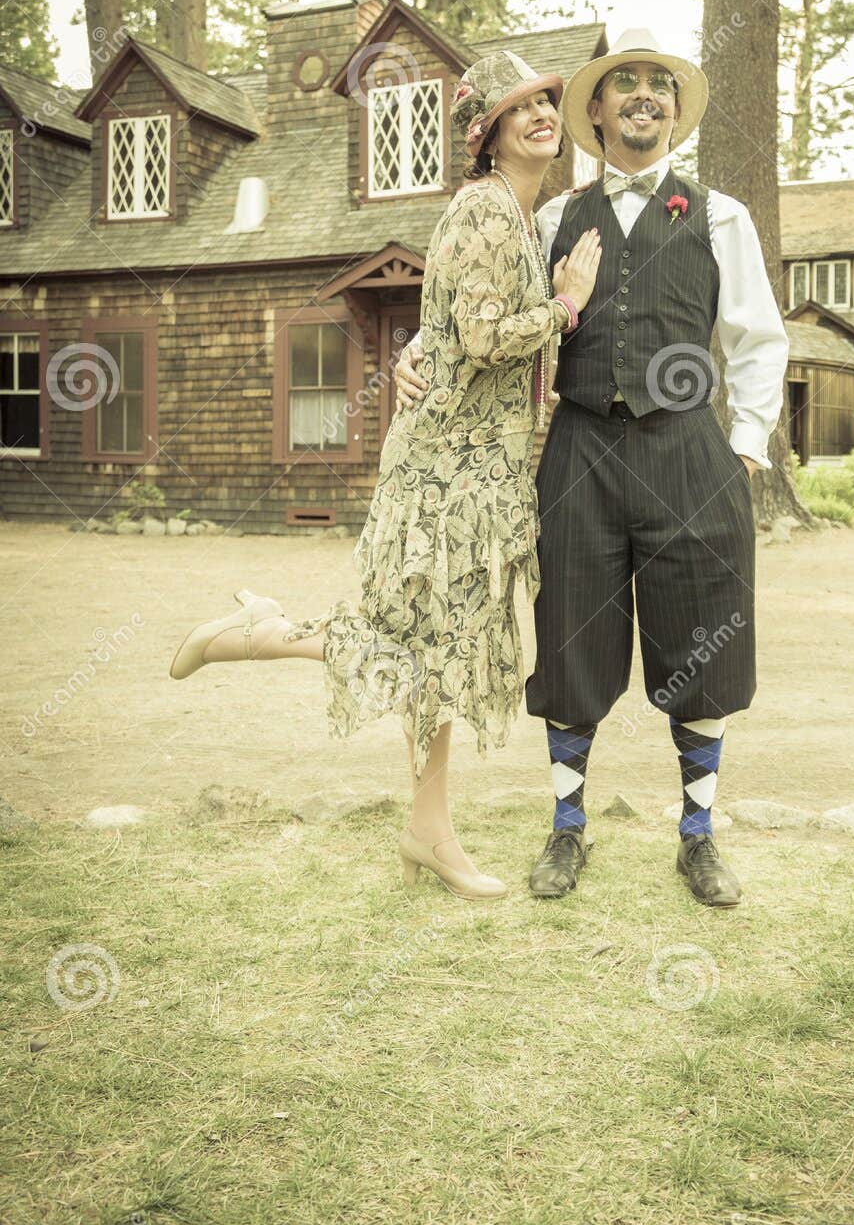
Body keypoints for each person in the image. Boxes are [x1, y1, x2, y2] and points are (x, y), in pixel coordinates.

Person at [168, 49, 601, 901]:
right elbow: (483, 337)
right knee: (421, 649)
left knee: (433, 657)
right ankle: (259, 635)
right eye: (520, 109)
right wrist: (565, 306)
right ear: (487, 136)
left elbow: (454, 334)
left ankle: (426, 831)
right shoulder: (484, 207)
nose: (541, 115)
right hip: (446, 475)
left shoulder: (520, 216)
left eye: (547, 102)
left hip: (480, 472)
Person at [396, 30, 789, 908]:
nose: (643, 94)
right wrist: (415, 348)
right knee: (572, 644)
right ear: (598, 112)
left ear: (674, 112)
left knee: (701, 645)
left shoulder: (719, 215)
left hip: (688, 451)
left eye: (659, 84)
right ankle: (567, 827)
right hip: (578, 453)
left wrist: (745, 447)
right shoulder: (549, 220)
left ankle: (697, 836)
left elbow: (757, 339)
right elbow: (479, 299)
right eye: (624, 84)